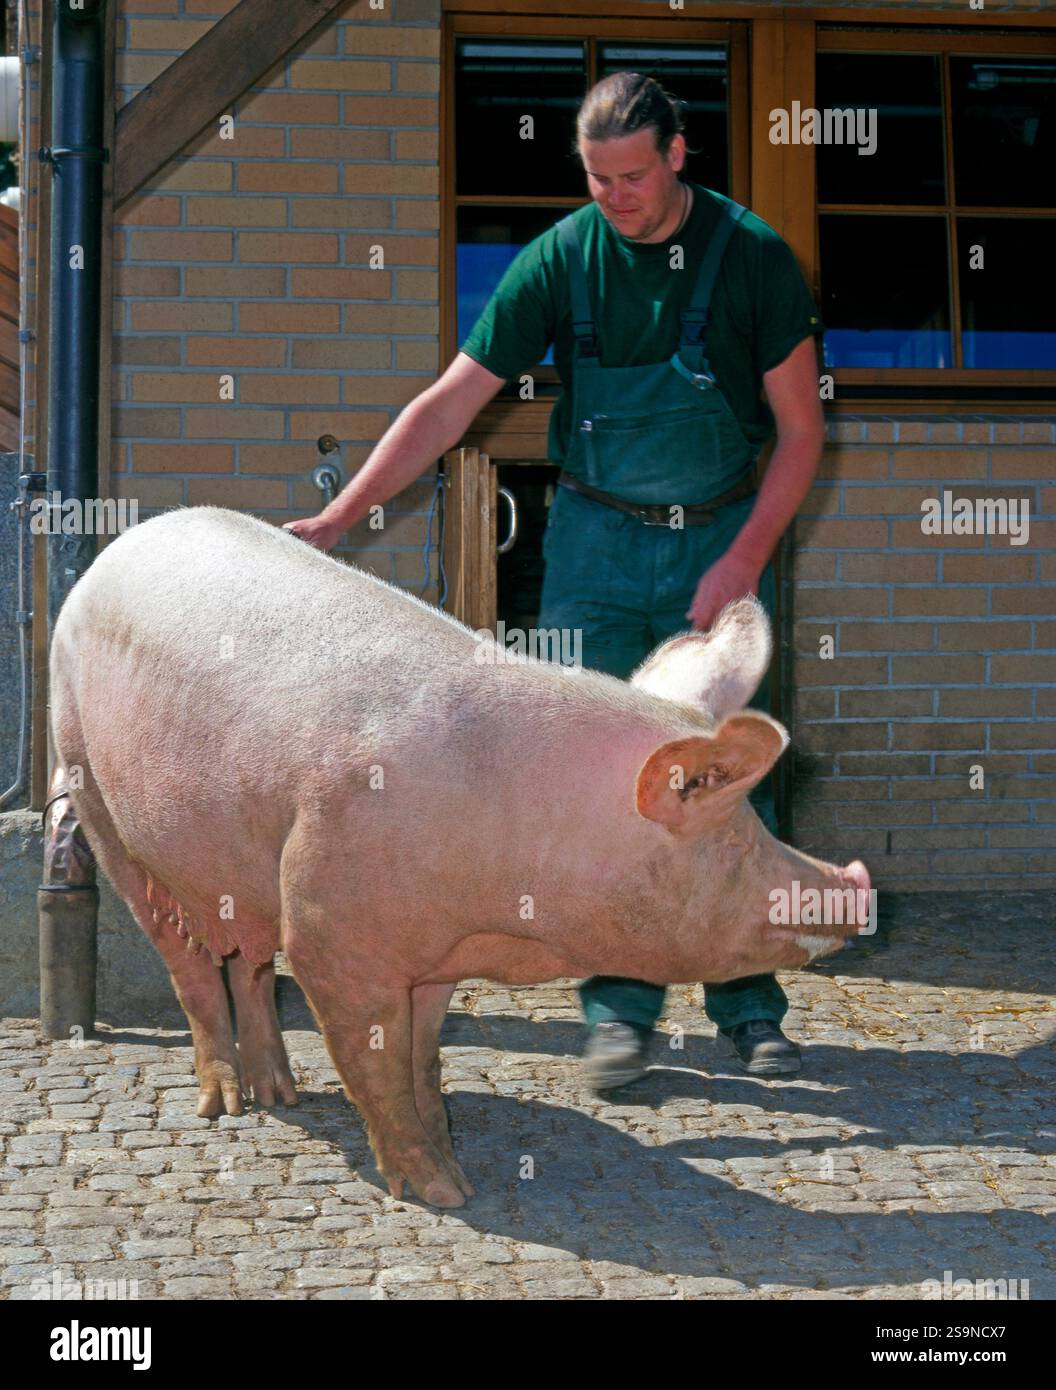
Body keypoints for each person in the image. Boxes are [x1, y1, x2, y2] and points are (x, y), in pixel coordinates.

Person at [286, 71, 825, 1093]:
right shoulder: (559, 261)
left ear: (677, 155)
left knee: (731, 778)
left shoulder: (752, 257)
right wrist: (343, 513)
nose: (613, 196)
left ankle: (751, 1007)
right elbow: (448, 407)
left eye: (631, 175)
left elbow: (802, 433)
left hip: (719, 543)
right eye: (594, 177)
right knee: (606, 785)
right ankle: (618, 1010)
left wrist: (746, 556)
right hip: (592, 546)